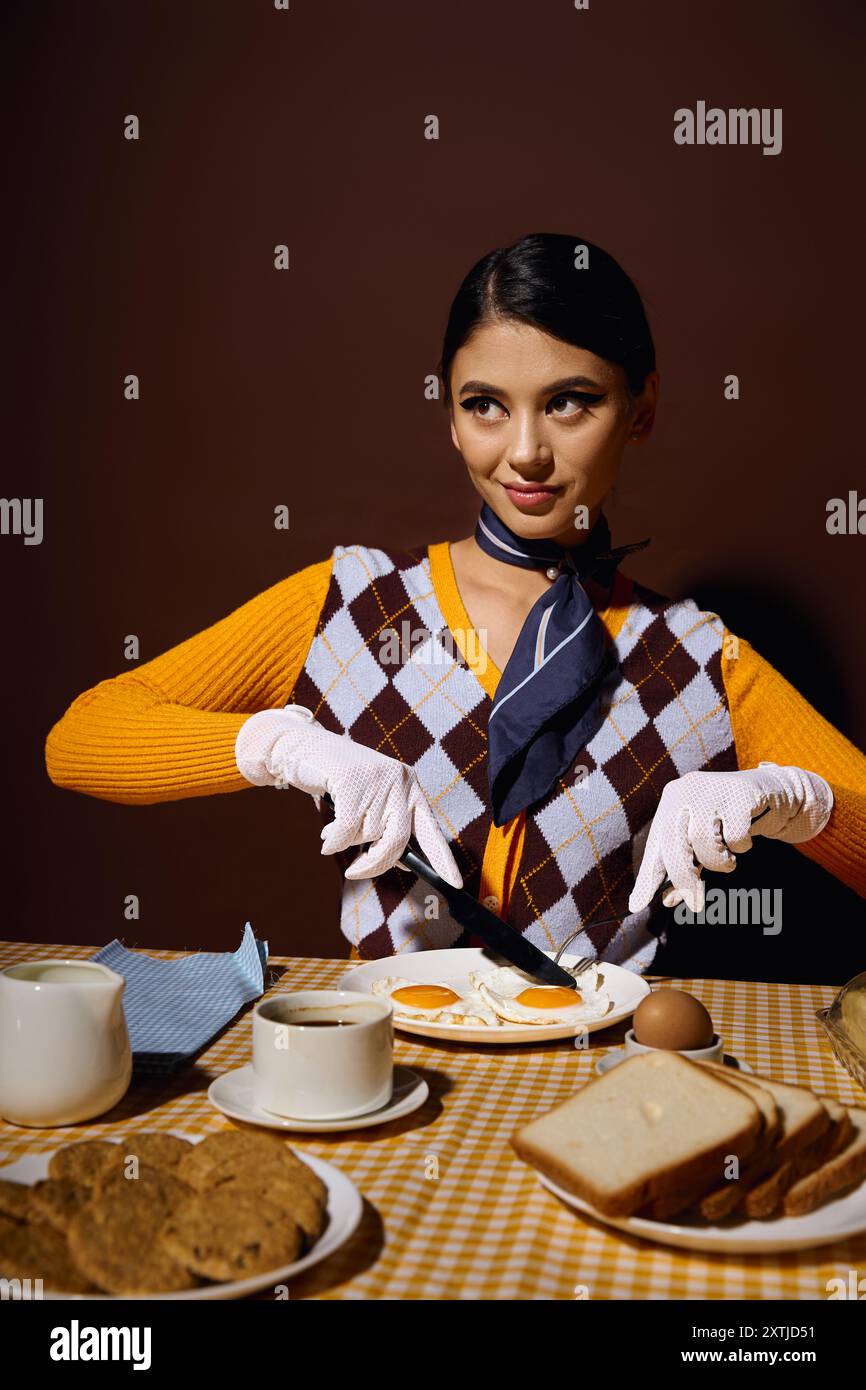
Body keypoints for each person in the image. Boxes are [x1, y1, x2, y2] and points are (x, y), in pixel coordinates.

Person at [45, 233, 866, 969]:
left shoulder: (695, 661)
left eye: (570, 401)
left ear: (642, 409)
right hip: (389, 1082)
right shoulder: (354, 608)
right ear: (449, 413)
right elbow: (79, 739)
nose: (525, 453)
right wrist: (281, 748)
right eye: (485, 406)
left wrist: (794, 801)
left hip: (608, 1091)